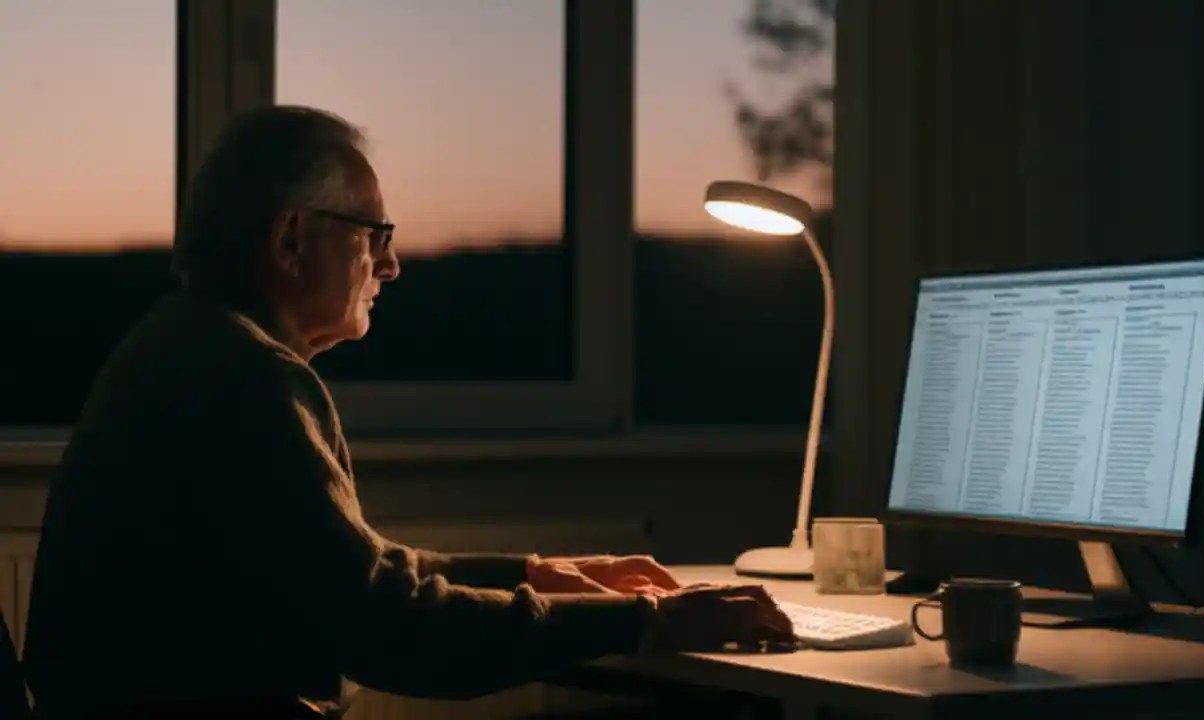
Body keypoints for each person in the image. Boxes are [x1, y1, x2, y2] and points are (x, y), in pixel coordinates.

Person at [22, 105, 794, 719]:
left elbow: (350, 572)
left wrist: (539, 574)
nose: (390, 264)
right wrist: (650, 625)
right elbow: (391, 630)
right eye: (374, 234)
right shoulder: (245, 377)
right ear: (292, 239)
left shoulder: (187, 344)